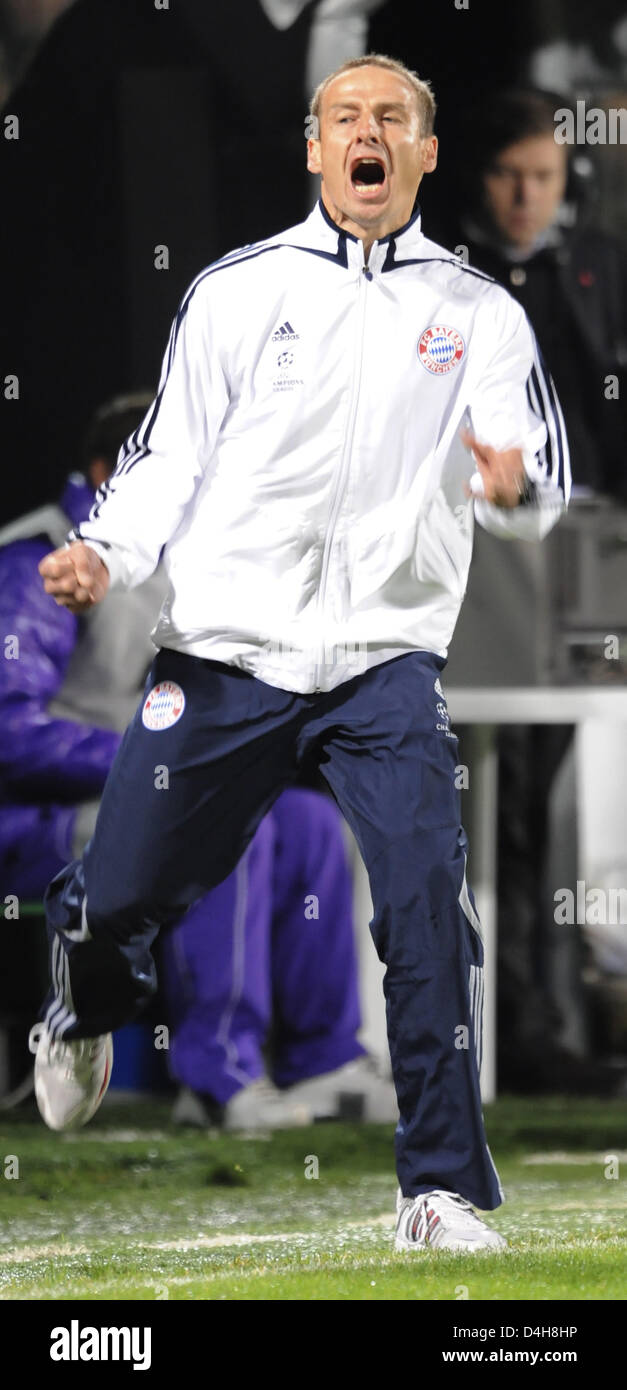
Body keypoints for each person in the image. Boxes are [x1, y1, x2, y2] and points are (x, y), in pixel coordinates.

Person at [35, 54, 570, 1253]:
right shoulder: (236, 291)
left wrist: (510, 481)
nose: (367, 133)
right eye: (345, 119)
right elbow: (166, 457)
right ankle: (80, 1001)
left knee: (430, 902)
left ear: (425, 155)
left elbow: (531, 464)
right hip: (227, 653)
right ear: (317, 152)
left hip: (383, 662)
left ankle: (435, 1190)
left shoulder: (480, 313)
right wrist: (106, 554)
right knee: (122, 895)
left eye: (393, 118)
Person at [1, 395, 396, 1129]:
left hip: (130, 799)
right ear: (105, 473)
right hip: (32, 819)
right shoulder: (39, 561)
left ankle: (321, 1059)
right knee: (214, 824)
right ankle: (217, 1074)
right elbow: (8, 731)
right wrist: (161, 767)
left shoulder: (189, 565)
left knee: (305, 820)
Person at [448, 89, 626, 1093]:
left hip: (586, 569)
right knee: (483, 796)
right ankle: (490, 1022)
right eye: (510, 175)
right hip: (470, 572)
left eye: (545, 178)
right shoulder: (441, 273)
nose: (525, 197)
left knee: (556, 804)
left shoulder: (599, 269)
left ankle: (551, 1018)